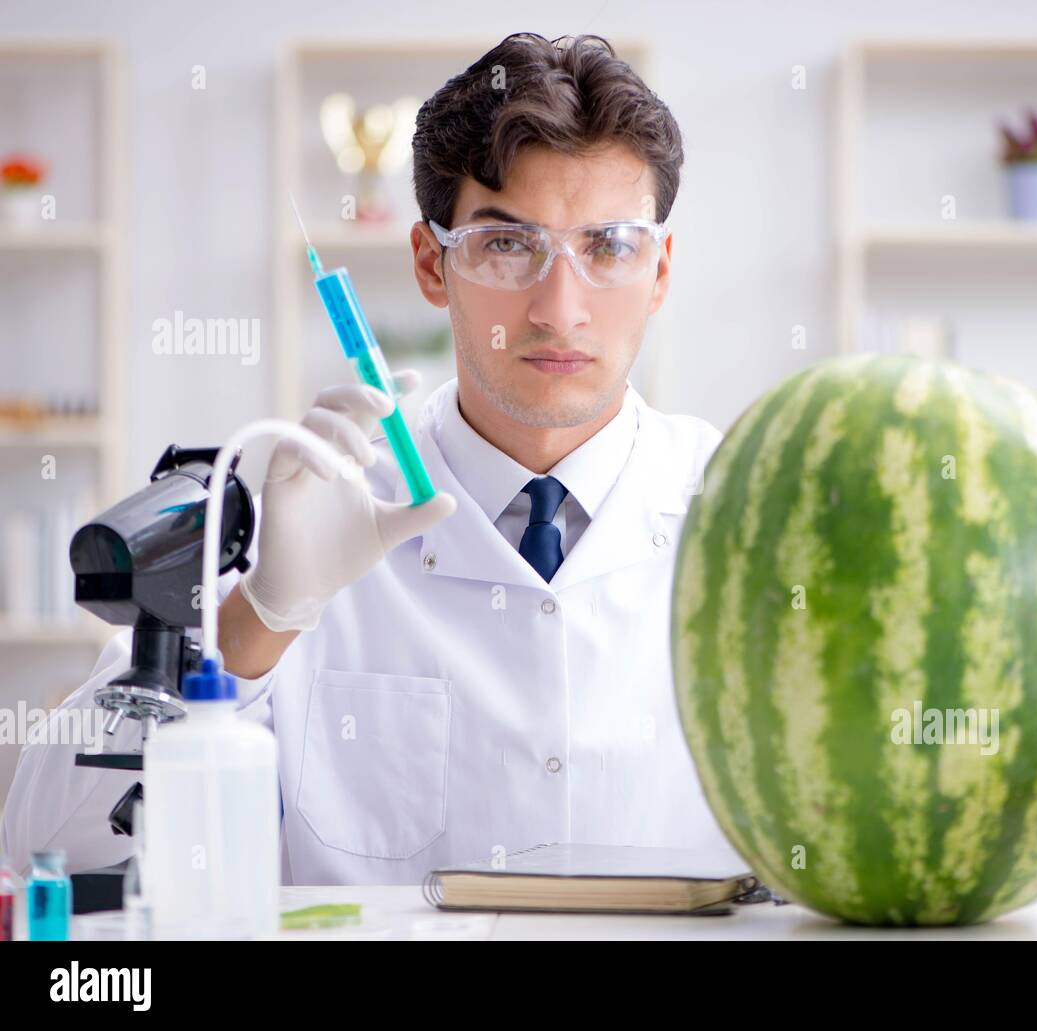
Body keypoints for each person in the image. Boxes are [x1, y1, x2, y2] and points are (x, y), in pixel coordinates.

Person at [4, 32, 744, 885]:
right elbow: (49, 850)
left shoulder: (751, 513)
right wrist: (261, 620)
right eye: (508, 244)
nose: (560, 309)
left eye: (609, 245)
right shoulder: (311, 512)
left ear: (659, 270)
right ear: (432, 262)